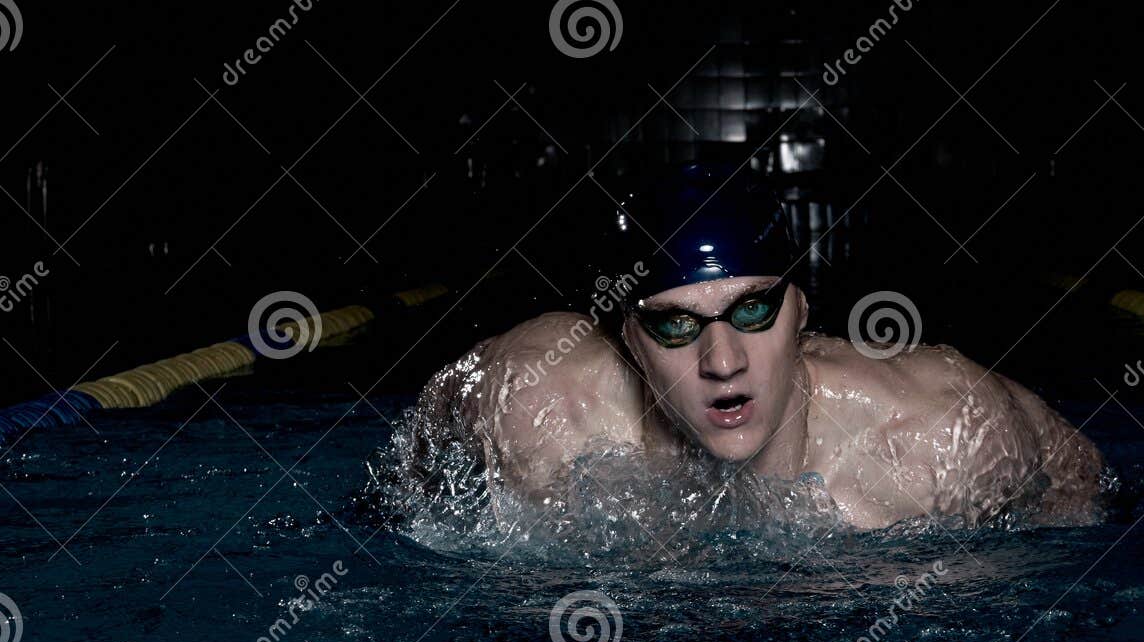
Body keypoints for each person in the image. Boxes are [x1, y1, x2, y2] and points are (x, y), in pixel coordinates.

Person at [407, 165, 1105, 530]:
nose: (723, 361)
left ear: (801, 308)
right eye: (676, 325)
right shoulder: (541, 399)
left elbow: (1081, 489)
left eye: (753, 310)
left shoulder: (936, 437)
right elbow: (415, 455)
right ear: (628, 336)